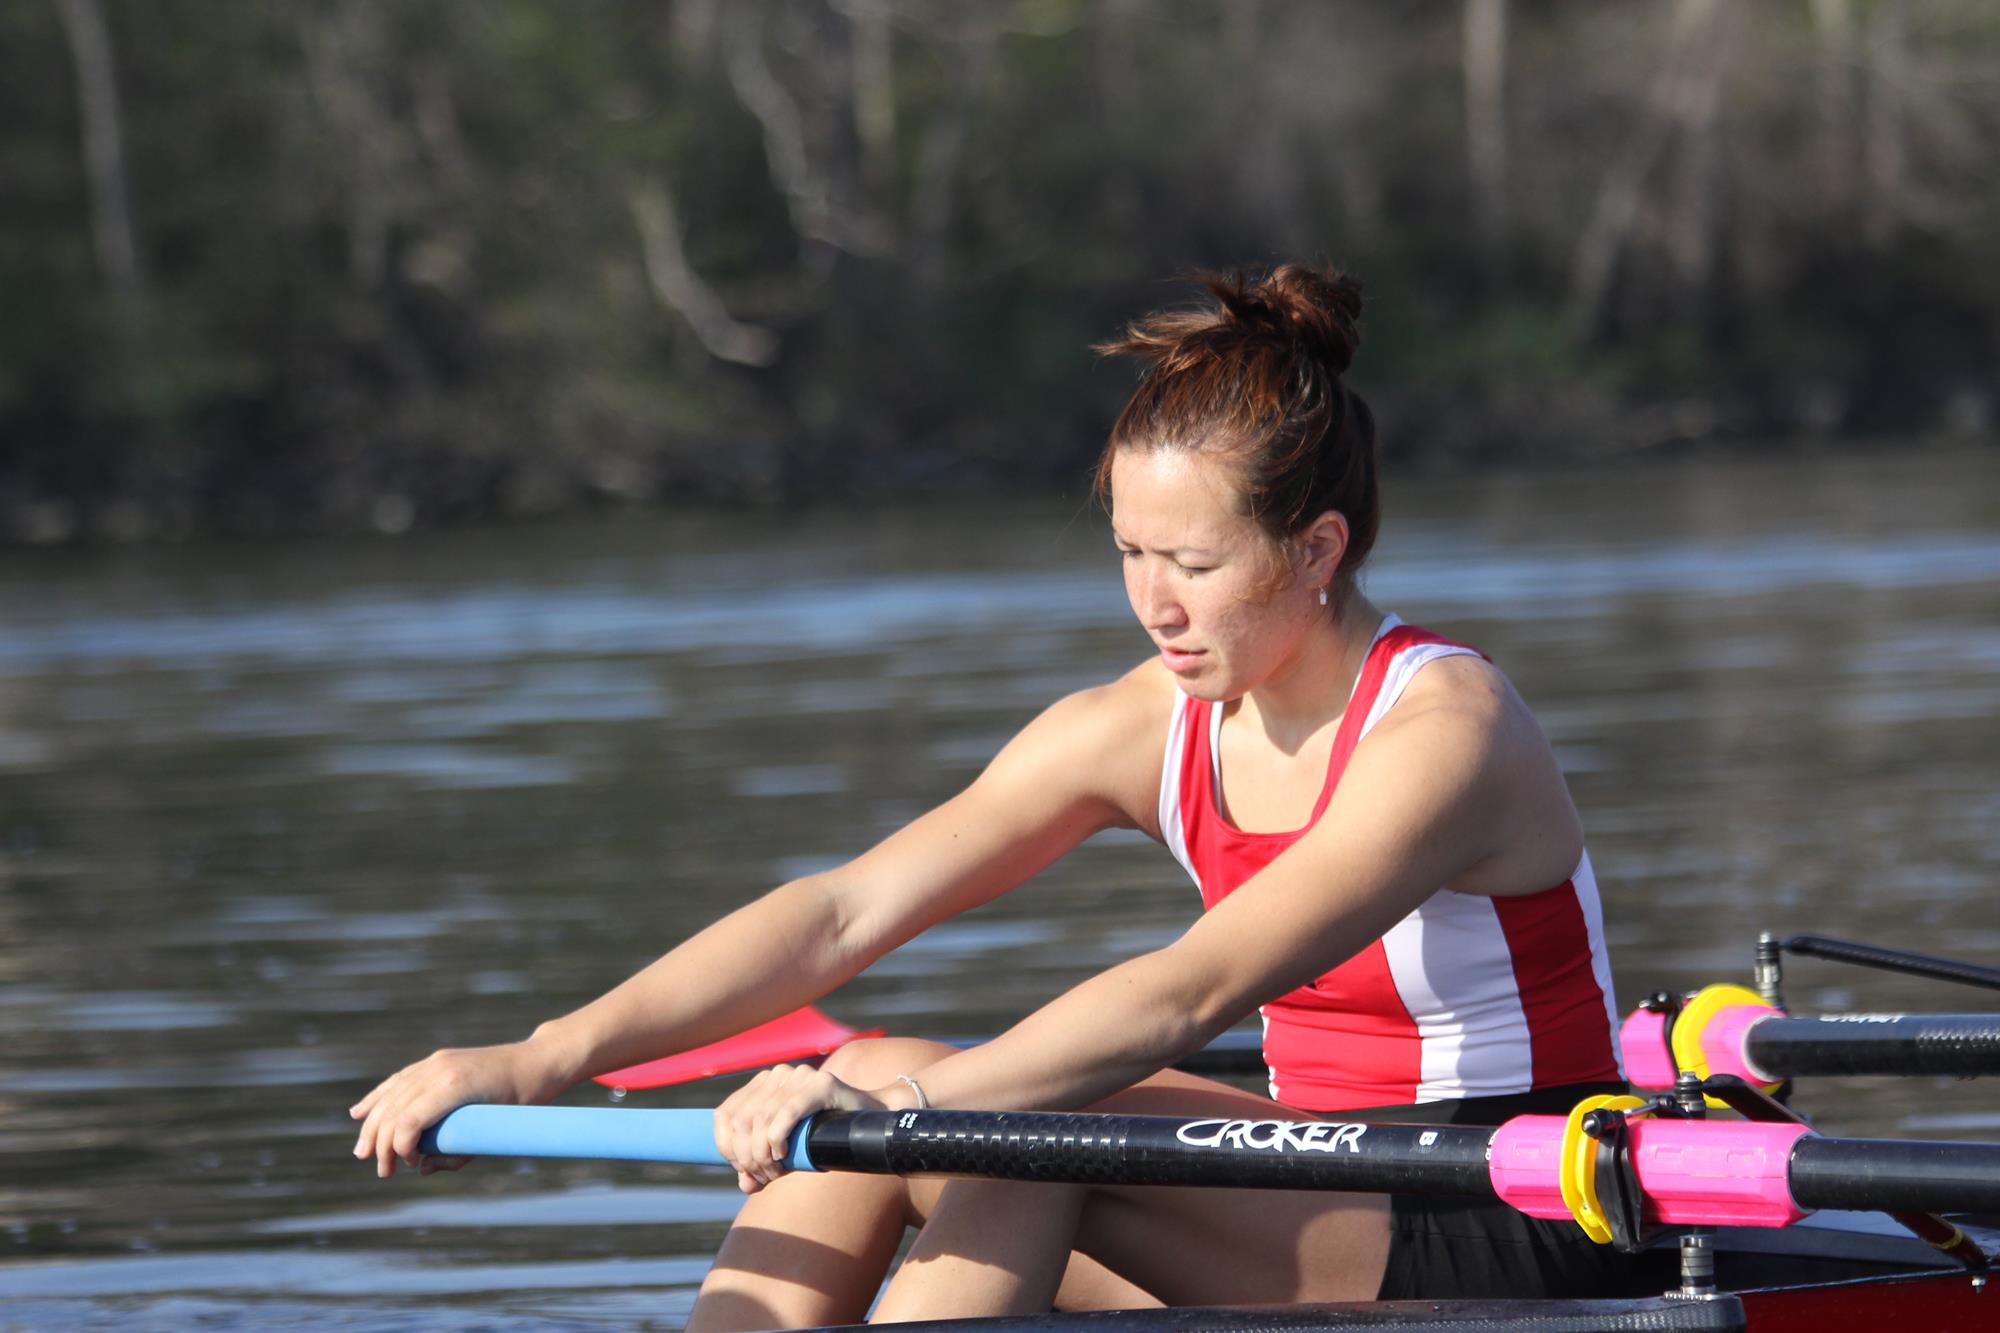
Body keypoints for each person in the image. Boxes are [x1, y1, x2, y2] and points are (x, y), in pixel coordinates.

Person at [350, 263, 1629, 1326]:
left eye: (1192, 563)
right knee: (875, 1062)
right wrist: (540, 1055)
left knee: (1017, 1109)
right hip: (1296, 1187)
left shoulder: (1446, 730)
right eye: (1128, 552)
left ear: (1316, 549)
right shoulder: (1143, 721)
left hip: (1505, 1213)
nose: (1153, 604)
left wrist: (905, 1117)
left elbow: (1186, 993)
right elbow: (844, 913)